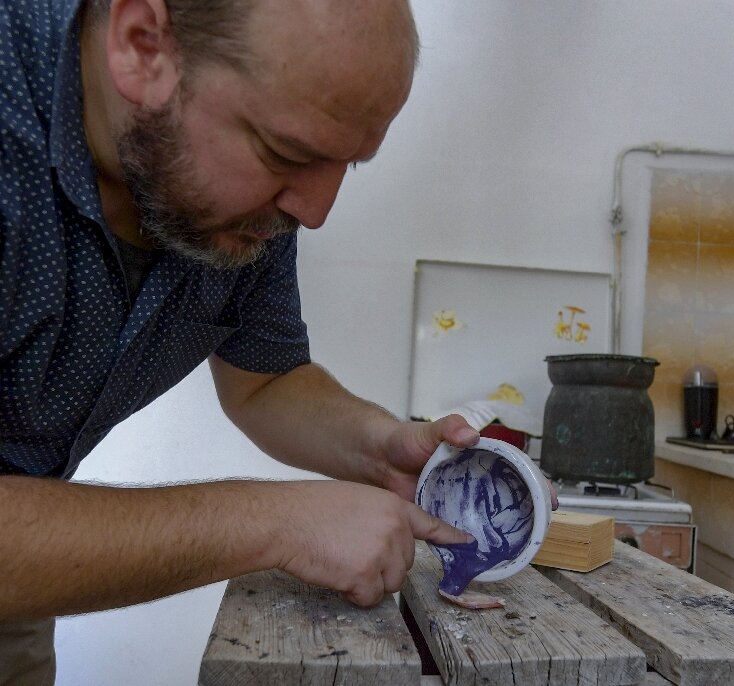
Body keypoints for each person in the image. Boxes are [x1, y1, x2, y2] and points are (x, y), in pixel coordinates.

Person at [0, 0, 483, 682]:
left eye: (351, 164)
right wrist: (271, 521)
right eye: (287, 153)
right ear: (142, 45)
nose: (314, 212)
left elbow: (267, 379)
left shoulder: (250, 207)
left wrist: (379, 447)